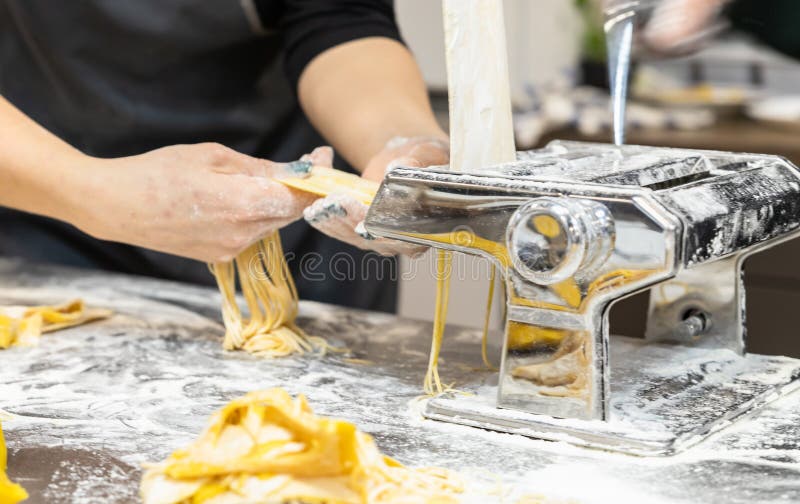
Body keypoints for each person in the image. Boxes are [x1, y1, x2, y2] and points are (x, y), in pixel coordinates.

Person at [0, 1, 449, 313]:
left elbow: (339, 18)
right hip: (49, 210)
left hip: (303, 242)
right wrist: (88, 191)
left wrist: (396, 144)